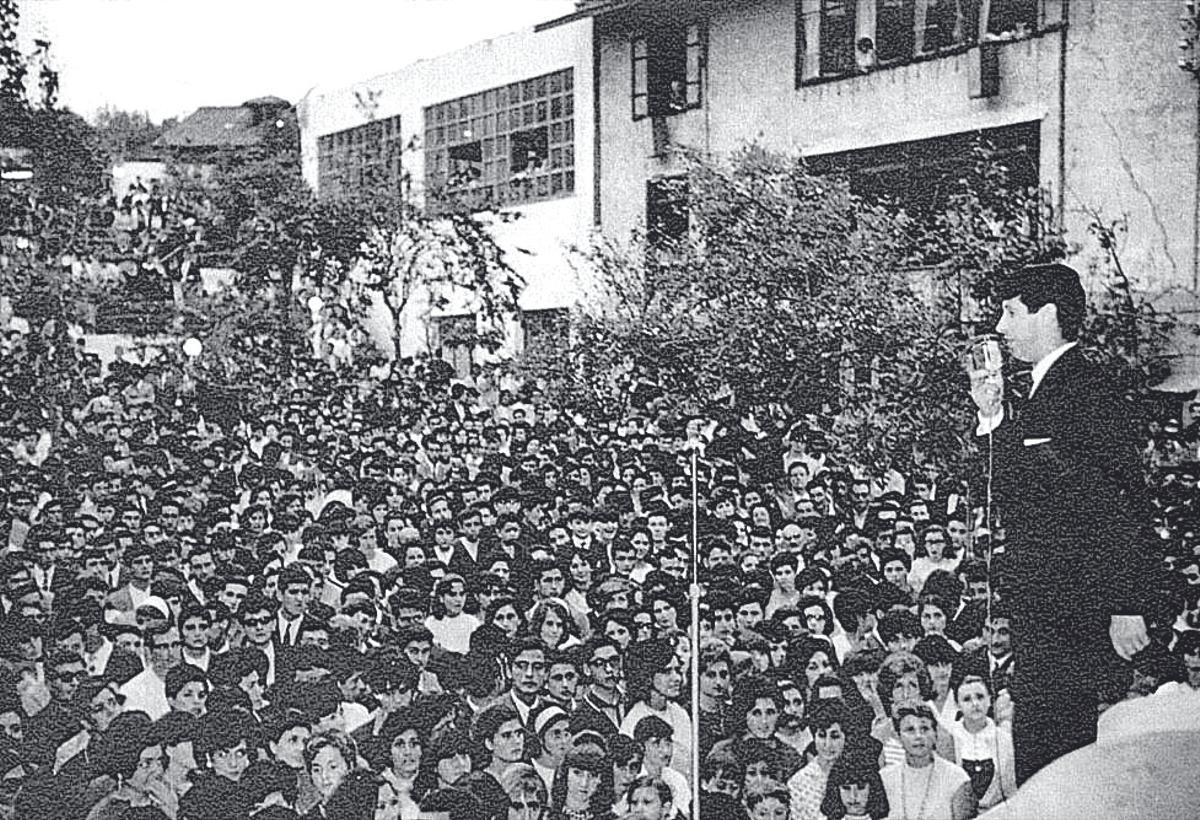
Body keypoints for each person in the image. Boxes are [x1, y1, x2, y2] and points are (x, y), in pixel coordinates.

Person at [969, 262, 1160, 782]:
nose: (1002, 327)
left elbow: (1120, 500)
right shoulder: (1036, 389)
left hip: (1075, 609)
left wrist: (1127, 603)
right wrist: (992, 418)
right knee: (1041, 755)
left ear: (1047, 314)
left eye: (1011, 312)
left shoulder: (1086, 388)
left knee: (1061, 762)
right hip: (1043, 609)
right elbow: (1021, 487)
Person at [879, 702, 974, 820]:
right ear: (898, 736)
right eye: (910, 730)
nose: (918, 736)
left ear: (935, 734)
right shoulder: (885, 778)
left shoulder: (956, 778)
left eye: (924, 729)